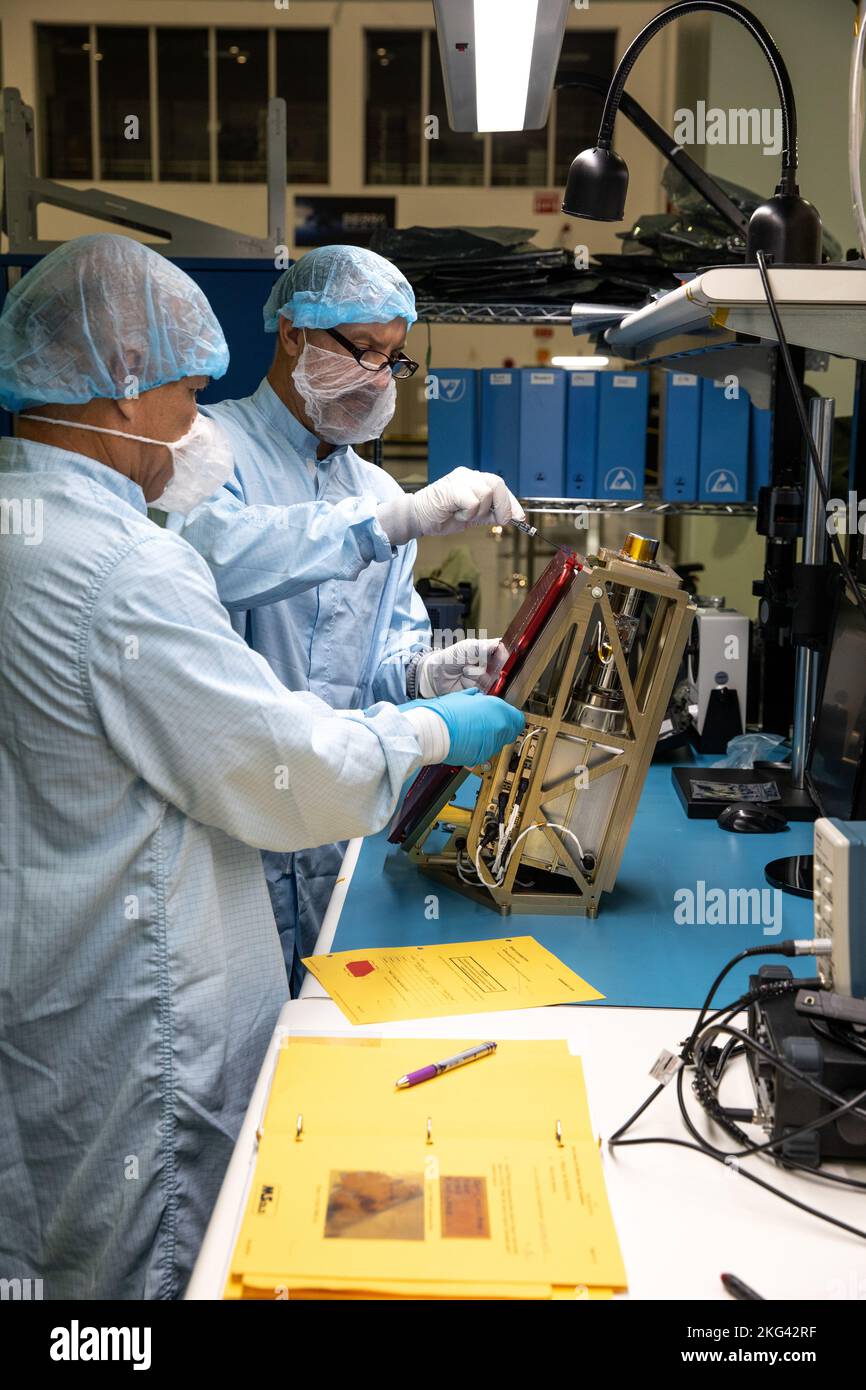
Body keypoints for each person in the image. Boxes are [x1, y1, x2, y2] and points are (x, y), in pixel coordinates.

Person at [0, 233, 524, 1299]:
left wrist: (426, 674)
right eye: (185, 389)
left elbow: (351, 665)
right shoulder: (131, 551)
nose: (194, 413)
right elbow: (270, 746)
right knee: (158, 1245)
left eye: (394, 359)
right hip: (183, 908)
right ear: (118, 392)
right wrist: (426, 733)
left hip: (157, 898)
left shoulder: (31, 520)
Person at [171, 244, 524, 992]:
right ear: (295, 333)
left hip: (335, 829)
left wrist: (427, 671)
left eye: (393, 360)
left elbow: (379, 656)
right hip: (231, 830)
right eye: (364, 350)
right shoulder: (210, 450)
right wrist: (387, 522)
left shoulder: (372, 487)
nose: (377, 376)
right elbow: (218, 557)